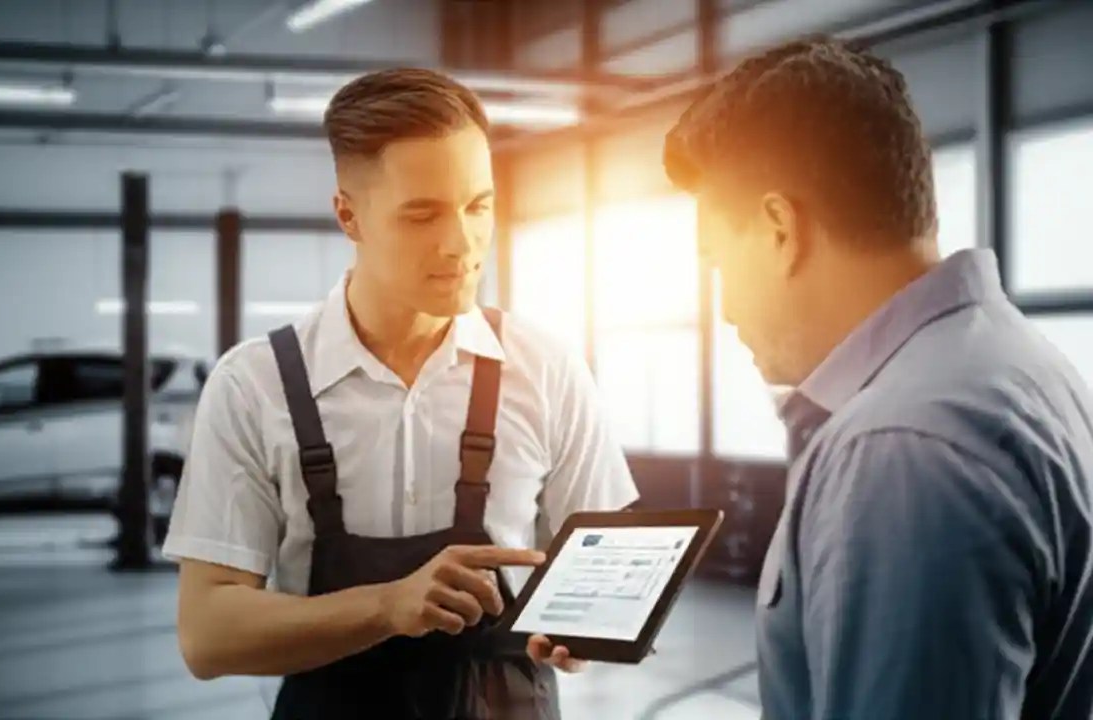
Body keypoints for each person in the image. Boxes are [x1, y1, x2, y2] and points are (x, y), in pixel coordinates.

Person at [164, 68, 639, 719]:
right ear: (348, 215)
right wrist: (388, 607)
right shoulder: (253, 387)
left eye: (479, 206)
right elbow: (207, 635)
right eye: (422, 214)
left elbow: (611, 576)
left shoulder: (547, 370)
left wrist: (590, 627)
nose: (462, 244)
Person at [663, 37, 1093, 720]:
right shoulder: (1018, 364)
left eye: (717, 259)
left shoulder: (898, 447)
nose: (725, 306)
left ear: (779, 230)